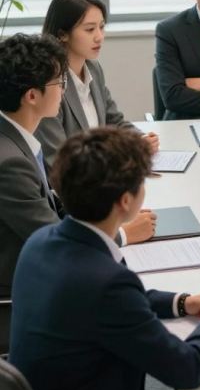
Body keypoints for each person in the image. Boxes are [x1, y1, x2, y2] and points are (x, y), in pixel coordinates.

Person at [8, 126, 200, 390]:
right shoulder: (106, 284)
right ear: (126, 201)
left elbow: (116, 305)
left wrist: (182, 301)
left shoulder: (42, 241)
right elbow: (186, 368)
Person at [0, 35, 154, 308]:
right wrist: (121, 233)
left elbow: (52, 206)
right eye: (59, 82)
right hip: (21, 294)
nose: (64, 89)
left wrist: (109, 217)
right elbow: (53, 238)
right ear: (32, 96)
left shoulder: (15, 139)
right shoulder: (9, 163)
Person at [36, 0, 159, 167]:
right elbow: (57, 158)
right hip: (74, 185)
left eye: (101, 27)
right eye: (90, 29)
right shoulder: (49, 82)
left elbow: (114, 121)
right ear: (63, 34)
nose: (99, 37)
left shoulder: (93, 68)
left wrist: (140, 139)